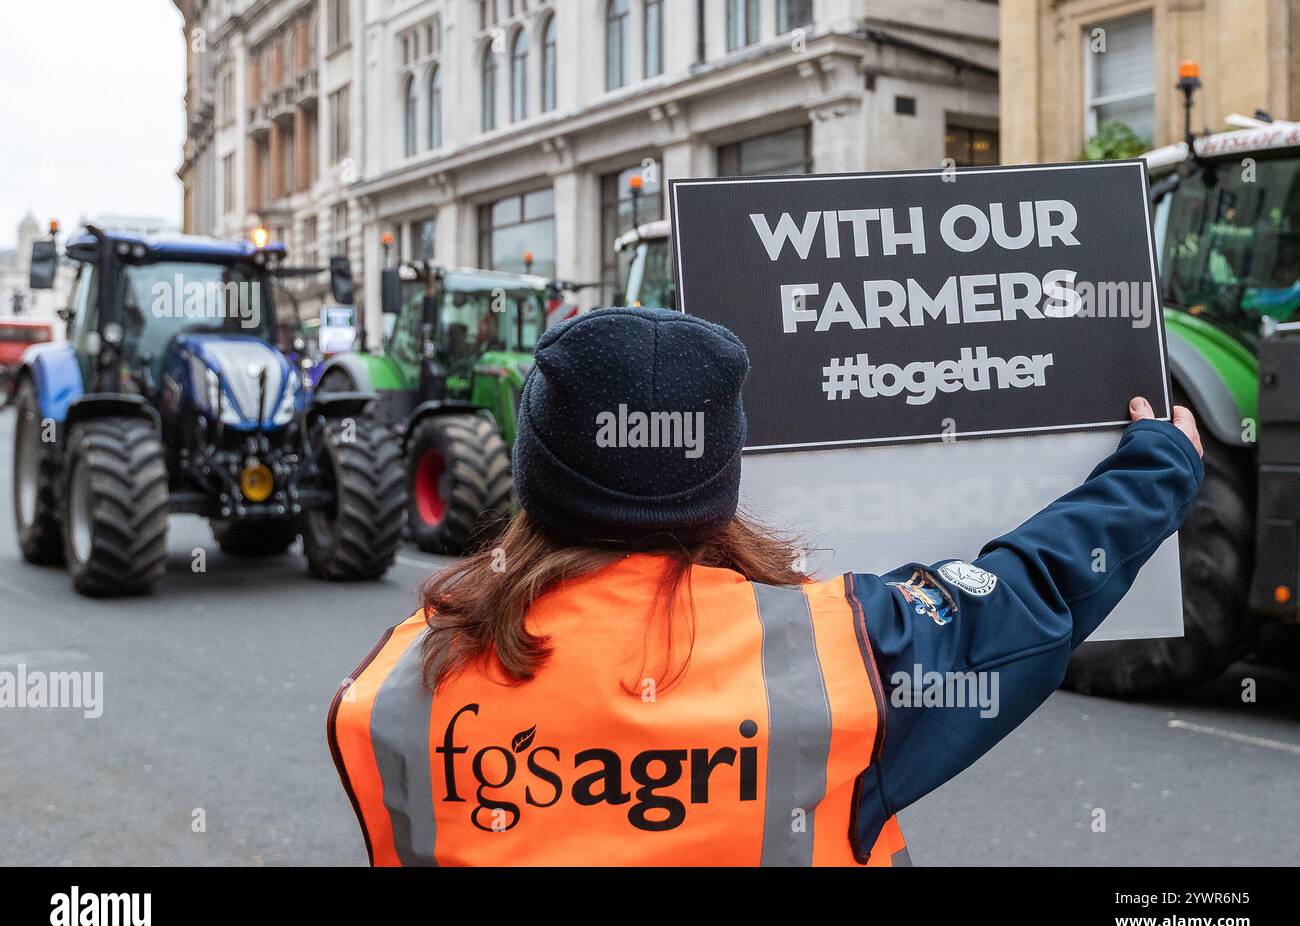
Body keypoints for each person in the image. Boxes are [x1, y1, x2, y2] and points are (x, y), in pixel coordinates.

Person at [328, 307, 1204, 867]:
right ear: (719, 477)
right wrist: (1160, 467)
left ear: (534, 473)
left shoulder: (396, 689)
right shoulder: (842, 657)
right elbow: (1029, 593)